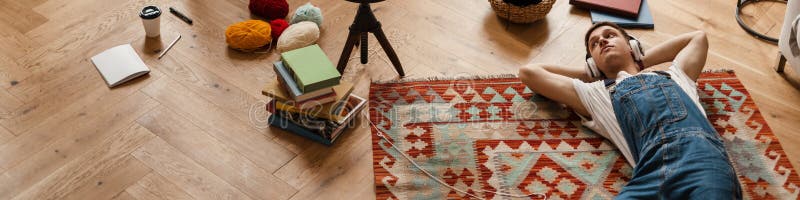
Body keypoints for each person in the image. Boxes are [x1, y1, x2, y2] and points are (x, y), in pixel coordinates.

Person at [518, 22, 742, 199]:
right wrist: (589, 73)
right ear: (592, 63)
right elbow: (529, 72)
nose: (602, 40)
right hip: (649, 176)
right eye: (594, 44)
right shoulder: (594, 94)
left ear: (632, 45)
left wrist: (640, 61)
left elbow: (697, 38)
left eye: (610, 35)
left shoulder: (676, 76)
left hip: (701, 161)